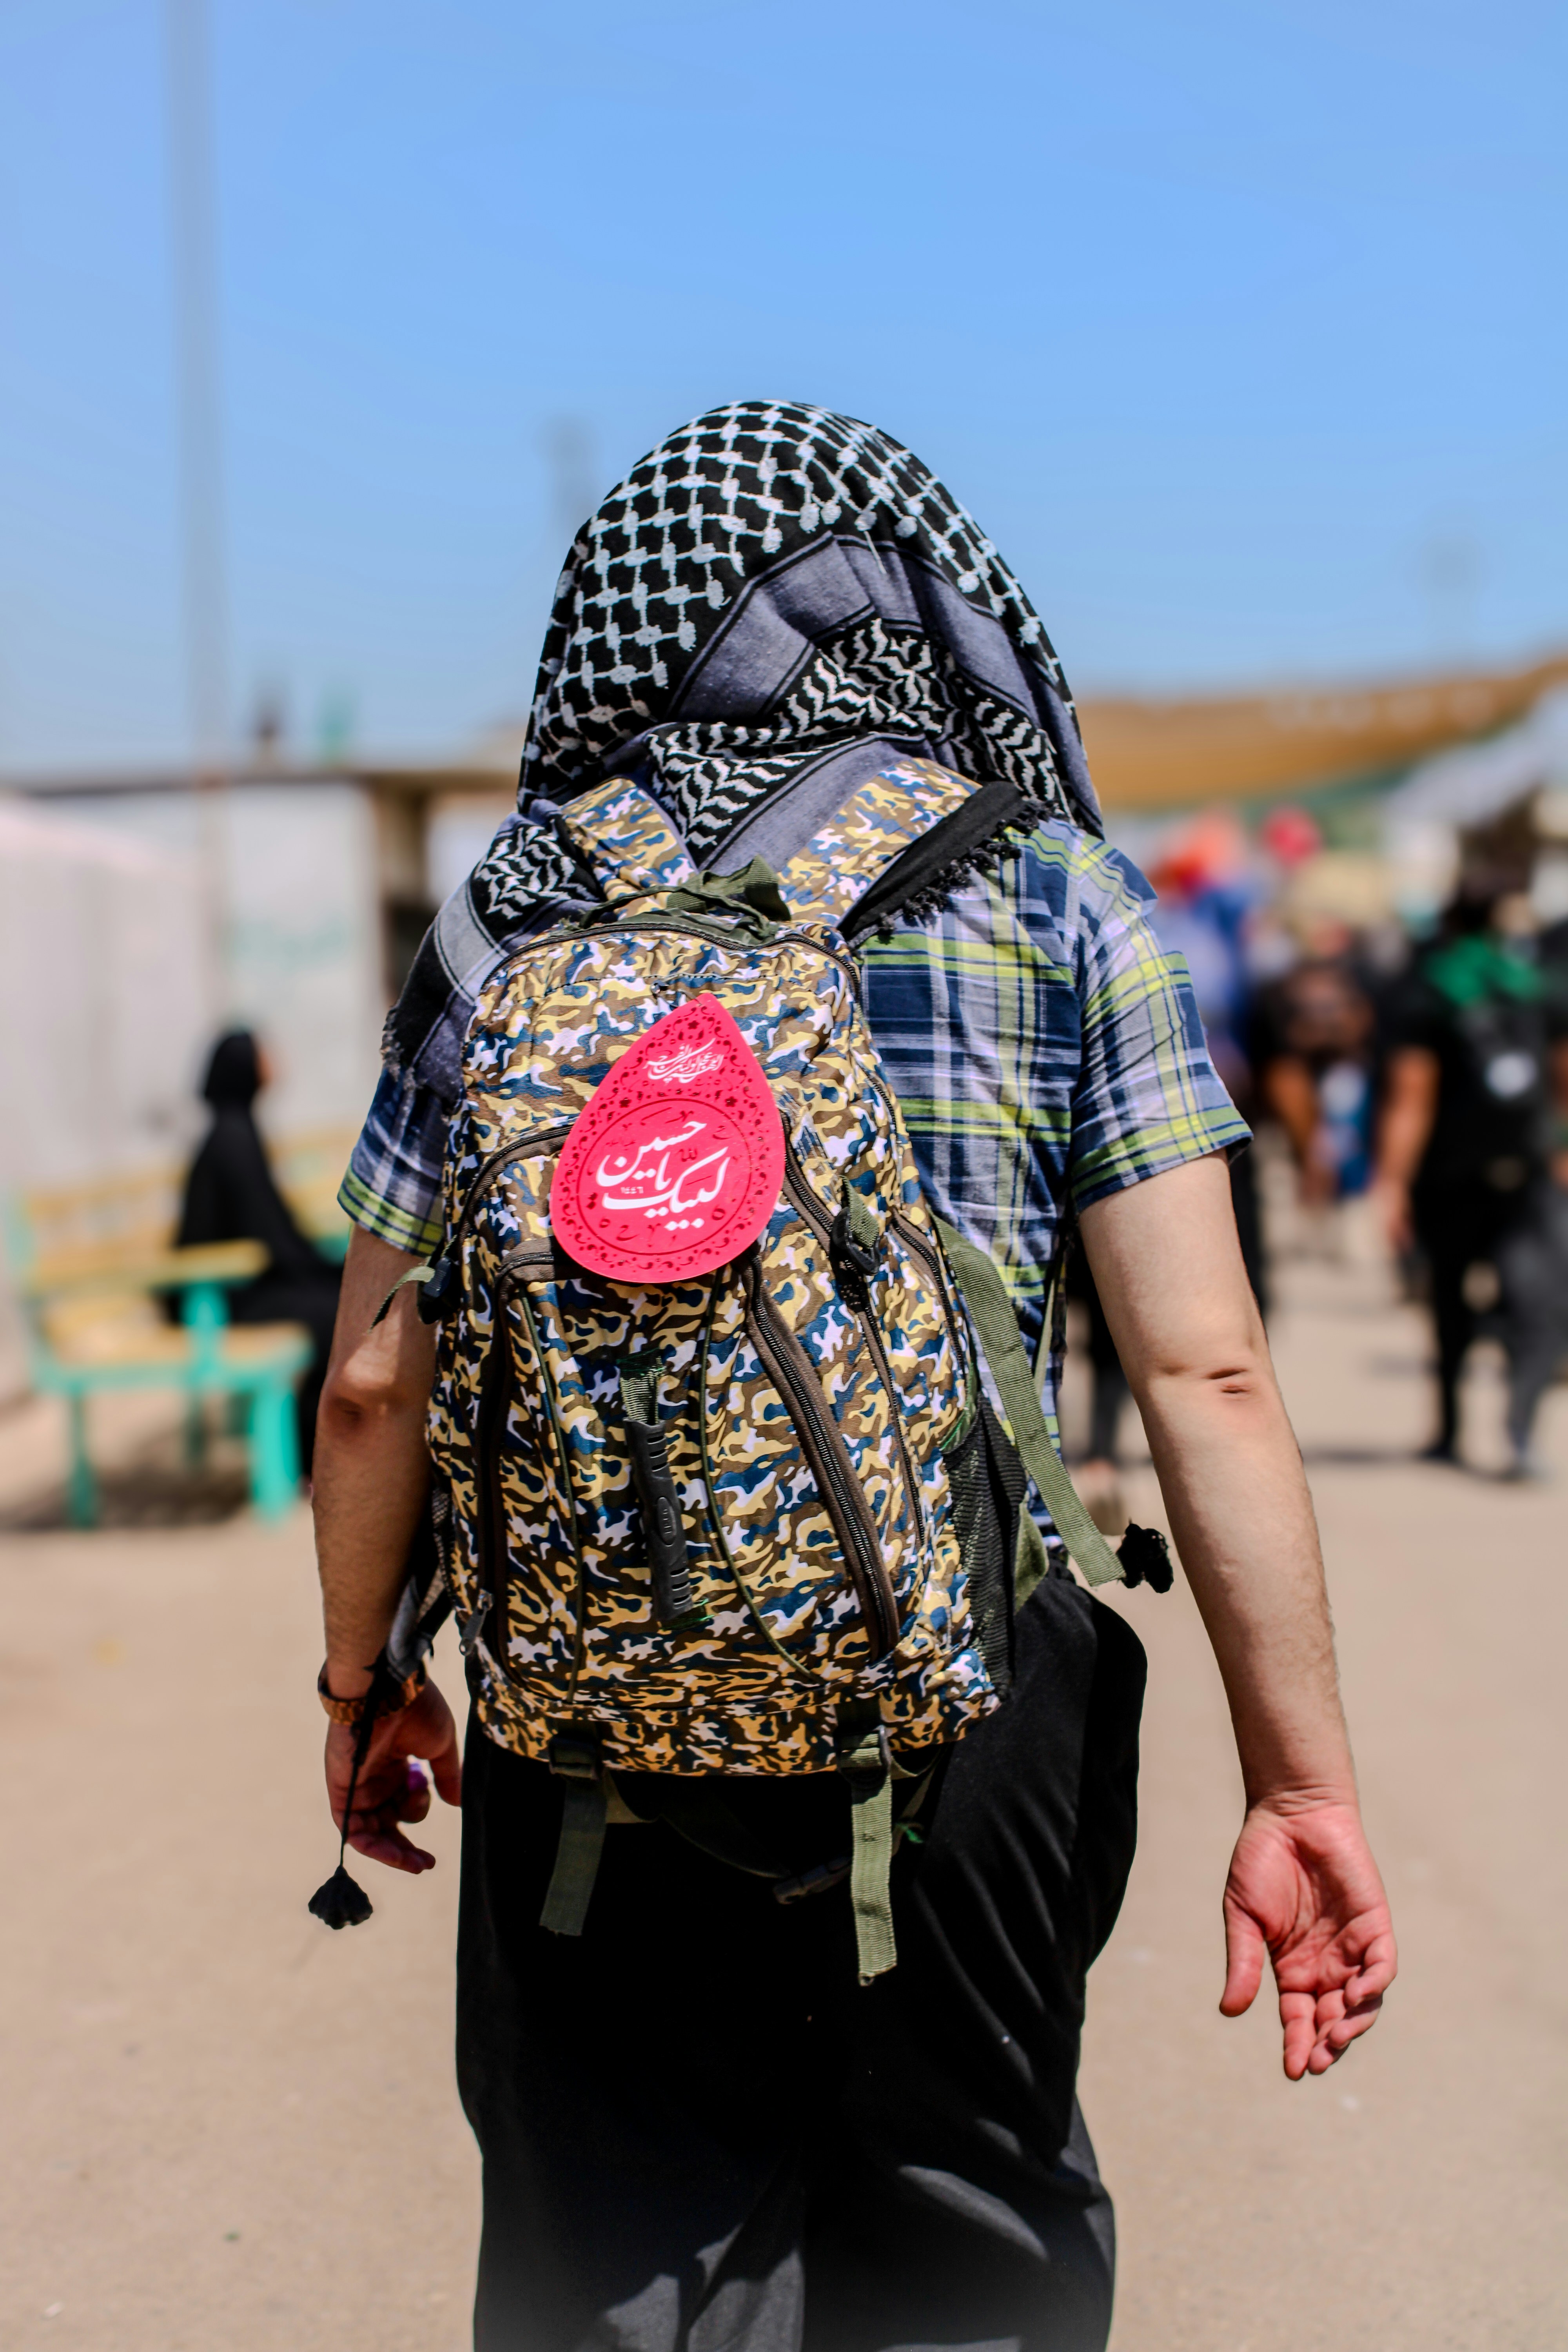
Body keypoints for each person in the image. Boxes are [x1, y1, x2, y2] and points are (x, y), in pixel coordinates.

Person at [312, 403, 1395, 2351]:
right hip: (963, 1713)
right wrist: (1294, 1777)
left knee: (616, 2264)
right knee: (968, 2238)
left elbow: (374, 1382)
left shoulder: (506, 909)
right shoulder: (1054, 892)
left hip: (584, 1729)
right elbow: (1204, 1368)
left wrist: (367, 1677)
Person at [1375, 880, 1568, 1474]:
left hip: (1448, 1173)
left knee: (1452, 1304)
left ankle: (1451, 1432)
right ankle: (1520, 1433)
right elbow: (1563, 1074)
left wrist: (1391, 1182)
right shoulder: (1535, 986)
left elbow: (1413, 1096)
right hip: (1528, 1166)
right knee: (1536, 1304)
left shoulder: (1426, 987)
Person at [177, 1029, 342, 1473]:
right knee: (331, 1315)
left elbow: (273, 1231)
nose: (274, 1063)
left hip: (244, 1282)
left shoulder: (238, 1131)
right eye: (265, 1054)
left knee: (339, 1295)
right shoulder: (231, 1140)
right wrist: (320, 1267)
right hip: (224, 1295)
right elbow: (266, 1235)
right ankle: (311, 1457)